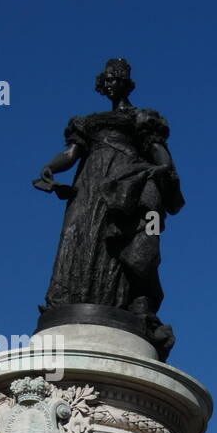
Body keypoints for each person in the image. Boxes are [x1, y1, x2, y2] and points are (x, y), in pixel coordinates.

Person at [33, 58, 184, 351]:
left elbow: (160, 155)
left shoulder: (141, 118)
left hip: (125, 186)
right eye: (108, 79)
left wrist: (160, 171)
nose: (111, 83)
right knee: (76, 237)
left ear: (126, 83)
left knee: (119, 245)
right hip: (89, 186)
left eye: (116, 78)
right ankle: (75, 302)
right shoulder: (88, 122)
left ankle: (121, 303)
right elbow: (72, 153)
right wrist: (51, 167)